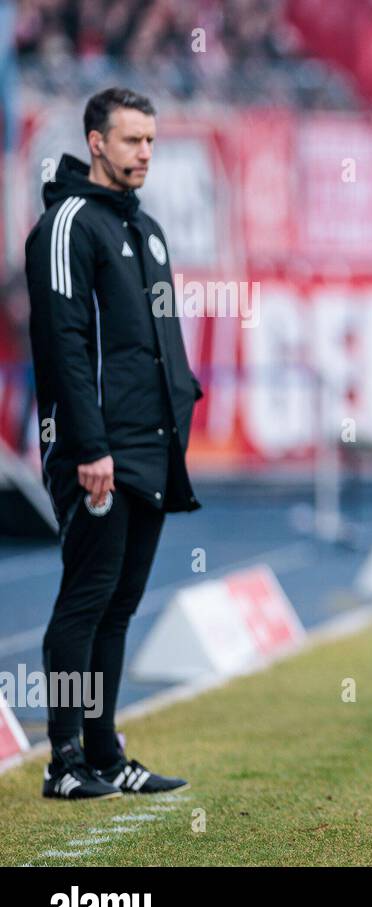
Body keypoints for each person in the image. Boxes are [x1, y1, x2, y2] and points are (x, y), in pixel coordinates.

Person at [25, 87, 200, 800]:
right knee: (85, 598)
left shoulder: (146, 227)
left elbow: (156, 343)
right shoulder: (68, 222)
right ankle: (62, 758)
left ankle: (105, 750)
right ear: (96, 141)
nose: (145, 154)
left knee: (121, 604)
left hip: (151, 448)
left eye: (152, 141)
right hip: (97, 451)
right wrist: (88, 447)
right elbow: (64, 346)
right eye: (132, 141)